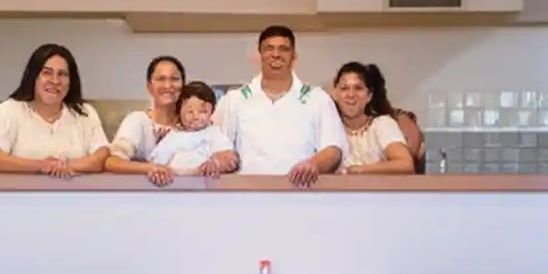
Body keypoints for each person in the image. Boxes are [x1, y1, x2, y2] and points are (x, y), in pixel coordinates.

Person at [214, 25, 347, 187]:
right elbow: (217, 146)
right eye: (269, 49)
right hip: (247, 198)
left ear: (294, 57)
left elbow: (333, 149)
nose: (276, 55)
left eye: (283, 49)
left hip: (301, 196)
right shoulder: (234, 99)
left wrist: (313, 164)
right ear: (259, 56)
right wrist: (222, 158)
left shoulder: (317, 99)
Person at [0, 43, 109, 176]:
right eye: (47, 73)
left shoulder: (85, 113)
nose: (55, 81)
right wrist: (42, 165)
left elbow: (101, 158)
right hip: (20, 195)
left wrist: (62, 165)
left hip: (76, 196)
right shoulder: (9, 110)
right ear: (33, 77)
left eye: (62, 74)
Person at [106, 56, 237, 186]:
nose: (168, 85)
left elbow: (228, 157)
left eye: (174, 79)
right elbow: (112, 162)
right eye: (161, 79)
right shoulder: (138, 121)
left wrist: (216, 164)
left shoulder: (203, 125)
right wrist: (150, 169)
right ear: (149, 86)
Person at [332, 62, 415, 175]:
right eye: (344, 88)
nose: (351, 94)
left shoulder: (382, 124)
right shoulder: (329, 127)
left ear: (369, 96)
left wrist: (357, 170)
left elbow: (405, 164)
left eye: (358, 88)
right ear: (335, 93)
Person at [149, 82, 234, 175]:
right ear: (179, 111)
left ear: (211, 112)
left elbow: (230, 158)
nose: (196, 116)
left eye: (203, 112)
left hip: (205, 184)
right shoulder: (172, 137)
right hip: (175, 184)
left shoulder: (213, 133)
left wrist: (217, 163)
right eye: (190, 111)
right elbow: (155, 164)